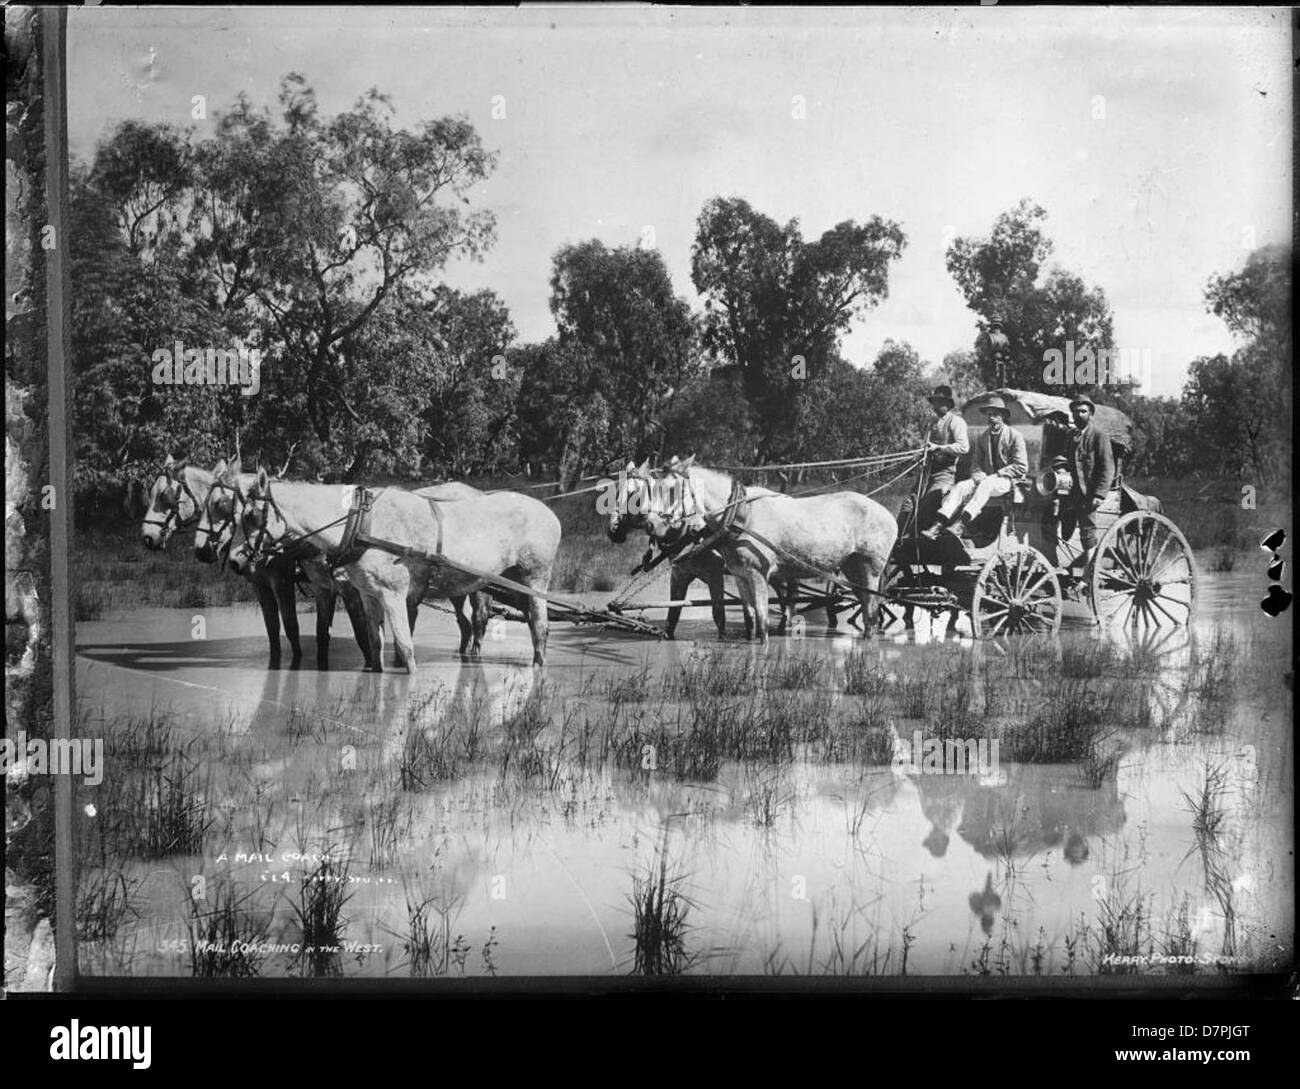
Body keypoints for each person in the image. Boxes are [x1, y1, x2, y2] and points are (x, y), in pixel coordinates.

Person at [922, 395, 1027, 538]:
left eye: (995, 414)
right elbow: (976, 463)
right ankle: (938, 525)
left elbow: (1021, 466)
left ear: (1002, 415)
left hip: (1008, 481)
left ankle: (960, 524)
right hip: (986, 479)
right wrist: (978, 474)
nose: (991, 418)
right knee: (961, 487)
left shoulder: (1015, 436)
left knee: (986, 485)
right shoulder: (983, 437)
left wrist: (998, 474)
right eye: (989, 414)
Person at [1042, 393, 1115, 568]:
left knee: (1087, 533)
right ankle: (1052, 561)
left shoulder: (1099, 436)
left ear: (1090, 414)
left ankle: (1089, 575)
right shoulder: (1071, 436)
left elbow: (1107, 467)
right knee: (1048, 517)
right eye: (1075, 412)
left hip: (1089, 493)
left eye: (1083, 411)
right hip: (1070, 491)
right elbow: (1063, 458)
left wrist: (1099, 494)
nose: (1078, 415)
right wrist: (1060, 468)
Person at [897, 385, 969, 537]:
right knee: (909, 504)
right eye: (934, 402)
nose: (935, 406)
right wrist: (920, 453)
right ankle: (898, 539)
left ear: (948, 404)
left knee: (928, 503)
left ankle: (917, 538)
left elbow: (963, 447)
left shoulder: (956, 422)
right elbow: (926, 446)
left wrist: (940, 448)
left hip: (945, 474)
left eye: (939, 402)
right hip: (926, 471)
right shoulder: (931, 422)